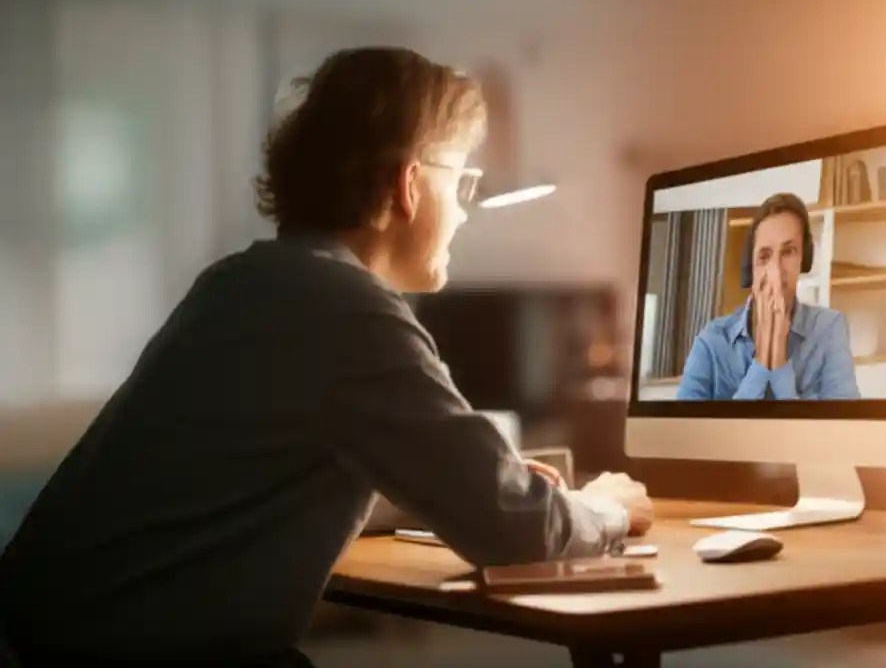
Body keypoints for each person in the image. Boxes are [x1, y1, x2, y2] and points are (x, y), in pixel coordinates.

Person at [0, 47, 652, 667]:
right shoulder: (351, 311)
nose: (464, 211)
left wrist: (465, 483)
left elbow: (277, 470)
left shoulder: (239, 283)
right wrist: (610, 508)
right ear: (409, 184)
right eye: (464, 181)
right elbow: (515, 532)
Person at [675, 192, 860, 400]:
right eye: (764, 256)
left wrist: (779, 362)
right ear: (750, 267)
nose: (776, 270)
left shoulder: (830, 329)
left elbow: (843, 430)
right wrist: (762, 362)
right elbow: (685, 431)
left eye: (788, 252)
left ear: (804, 259)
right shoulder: (711, 342)